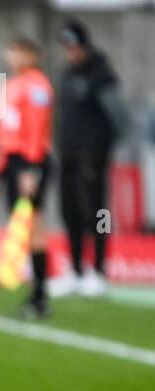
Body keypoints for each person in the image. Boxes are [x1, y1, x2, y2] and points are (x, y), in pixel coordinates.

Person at [55, 19, 128, 298]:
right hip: (69, 153)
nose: (70, 53)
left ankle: (98, 270)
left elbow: (118, 116)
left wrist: (108, 147)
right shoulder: (66, 74)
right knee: (69, 212)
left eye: (73, 46)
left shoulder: (101, 74)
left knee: (97, 213)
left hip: (93, 156)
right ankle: (75, 270)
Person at [0, 37, 54, 318]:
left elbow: (37, 131)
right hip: (14, 162)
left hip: (30, 162)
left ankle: (40, 295)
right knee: (21, 225)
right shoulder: (11, 85)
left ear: (32, 55)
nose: (13, 56)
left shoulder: (38, 85)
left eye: (19, 51)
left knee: (35, 225)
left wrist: (32, 168)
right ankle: (32, 289)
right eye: (11, 50)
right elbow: (6, 130)